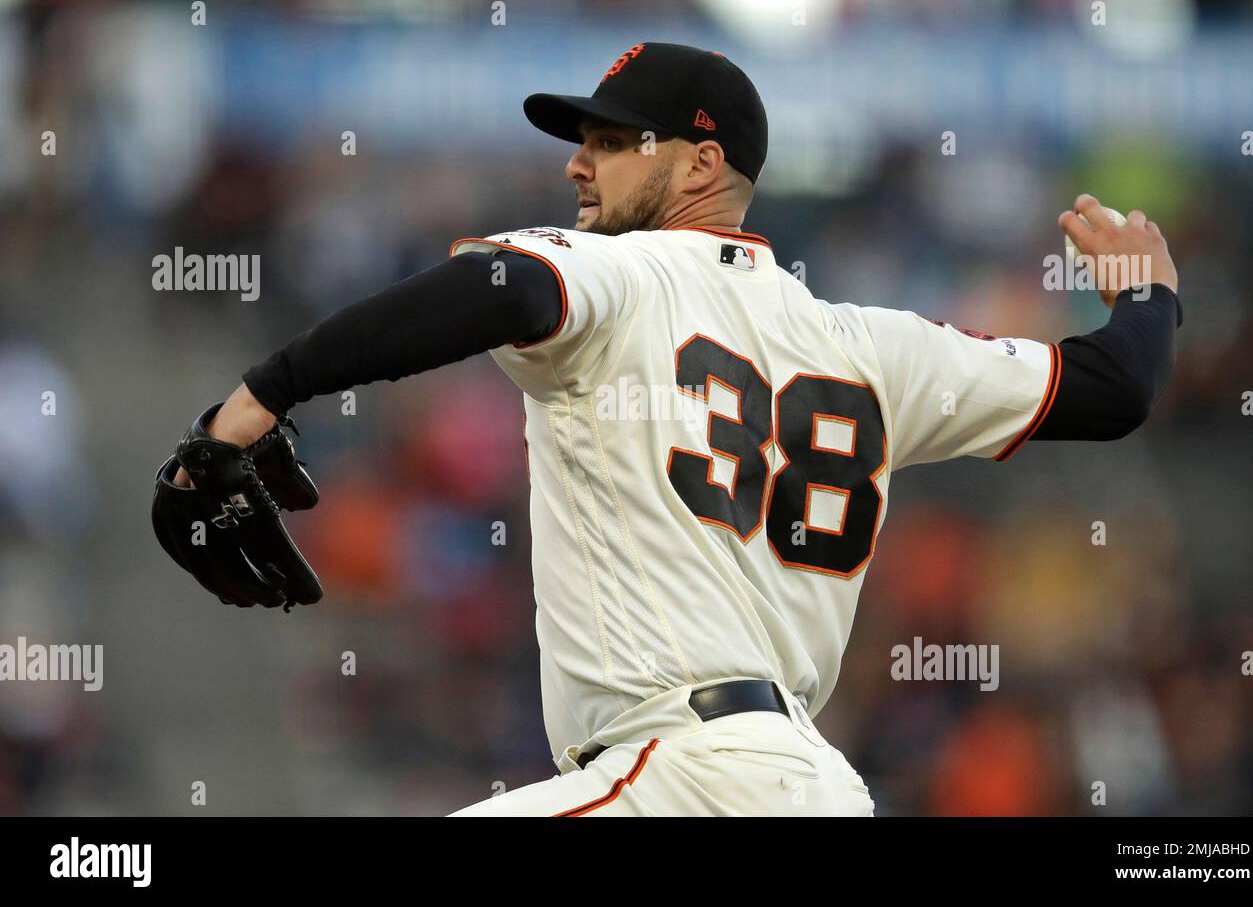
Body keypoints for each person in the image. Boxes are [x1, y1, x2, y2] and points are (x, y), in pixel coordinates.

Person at [170, 42, 1181, 816]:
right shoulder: (871, 345)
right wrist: (1147, 296)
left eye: (613, 142)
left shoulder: (620, 272)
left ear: (702, 161)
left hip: (684, 776)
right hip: (815, 787)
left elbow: (498, 287)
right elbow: (1113, 386)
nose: (579, 166)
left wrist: (259, 396)